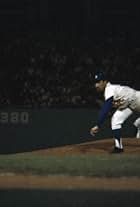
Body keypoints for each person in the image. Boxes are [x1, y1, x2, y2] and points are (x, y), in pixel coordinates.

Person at [90, 72, 140, 153]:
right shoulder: (110, 91)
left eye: (99, 82)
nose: (96, 85)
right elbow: (110, 107)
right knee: (115, 120)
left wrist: (98, 124)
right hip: (128, 105)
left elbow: (105, 108)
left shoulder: (109, 89)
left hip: (137, 99)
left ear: (105, 82)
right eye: (95, 82)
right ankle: (118, 147)